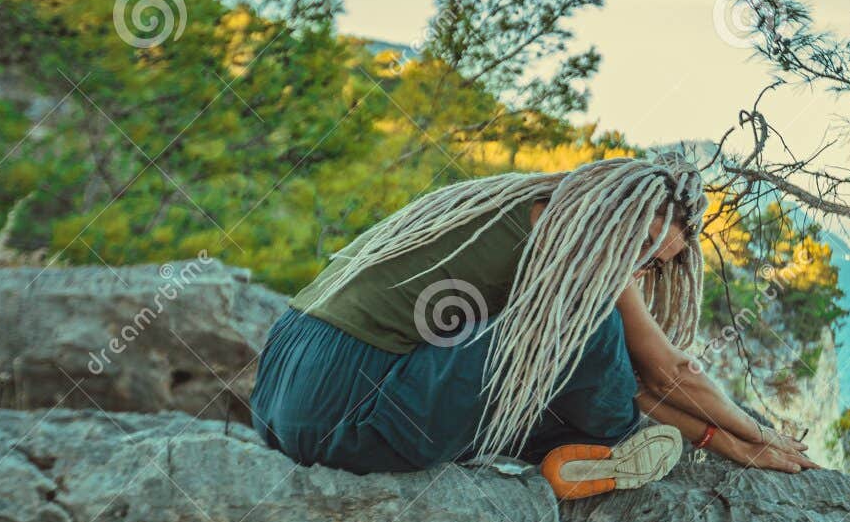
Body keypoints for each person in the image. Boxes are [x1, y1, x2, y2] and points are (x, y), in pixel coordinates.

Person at [251, 154, 818, 499]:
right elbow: (663, 369)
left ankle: (568, 454)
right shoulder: (577, 240)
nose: (639, 267)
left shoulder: (530, 205)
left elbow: (636, 375)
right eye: (642, 246)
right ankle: (608, 445)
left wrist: (714, 436)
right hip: (344, 404)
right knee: (587, 329)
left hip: (281, 388)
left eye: (654, 264)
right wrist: (753, 439)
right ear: (615, 212)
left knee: (552, 354)